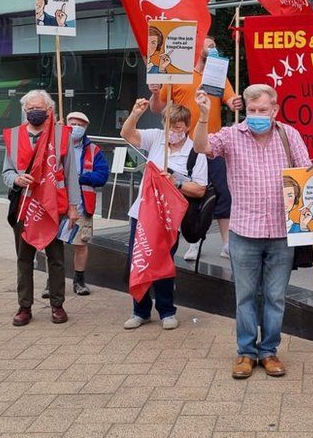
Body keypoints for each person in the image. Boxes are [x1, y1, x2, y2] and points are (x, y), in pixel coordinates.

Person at [193, 84, 310, 379]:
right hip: (244, 231)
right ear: (244, 108)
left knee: (275, 296)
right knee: (244, 296)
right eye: (252, 110)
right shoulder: (232, 135)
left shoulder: (289, 135)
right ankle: (246, 352)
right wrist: (204, 116)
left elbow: (306, 173)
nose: (257, 115)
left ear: (275, 109)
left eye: (263, 110)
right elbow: (200, 147)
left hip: (282, 232)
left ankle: (268, 351)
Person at [149, 36, 244, 261]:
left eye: (214, 44)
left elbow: (230, 100)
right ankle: (193, 242)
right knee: (192, 195)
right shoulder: (179, 75)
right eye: (208, 44)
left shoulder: (218, 75)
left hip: (213, 146)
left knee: (222, 193)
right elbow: (157, 107)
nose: (212, 48)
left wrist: (236, 103)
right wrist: (154, 92)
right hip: (186, 148)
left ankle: (226, 243)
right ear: (196, 49)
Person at [120, 100, 207, 330]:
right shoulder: (157, 138)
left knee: (162, 262)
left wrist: (176, 182)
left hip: (169, 219)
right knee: (137, 260)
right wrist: (135, 113)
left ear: (187, 126)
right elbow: (127, 134)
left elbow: (199, 189)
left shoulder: (195, 151)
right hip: (143, 213)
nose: (173, 132)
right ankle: (140, 310)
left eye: (178, 127)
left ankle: (167, 310)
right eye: (170, 126)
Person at [2, 90, 82, 326]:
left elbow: (70, 173)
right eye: (29, 109)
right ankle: (24, 307)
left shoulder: (60, 135)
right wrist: (16, 179)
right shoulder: (14, 136)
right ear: (24, 111)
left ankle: (57, 305)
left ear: (49, 110)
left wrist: (73, 206)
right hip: (24, 206)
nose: (33, 112)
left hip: (52, 206)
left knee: (56, 258)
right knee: (24, 258)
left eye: (38, 108)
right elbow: (7, 172)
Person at [61, 111, 110, 297]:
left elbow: (102, 175)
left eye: (80, 124)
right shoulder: (56, 145)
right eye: (72, 123)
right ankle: (52, 282)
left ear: (86, 127)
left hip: (83, 206)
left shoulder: (93, 150)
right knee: (53, 245)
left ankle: (79, 281)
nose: (75, 127)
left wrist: (81, 178)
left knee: (81, 244)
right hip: (57, 205)